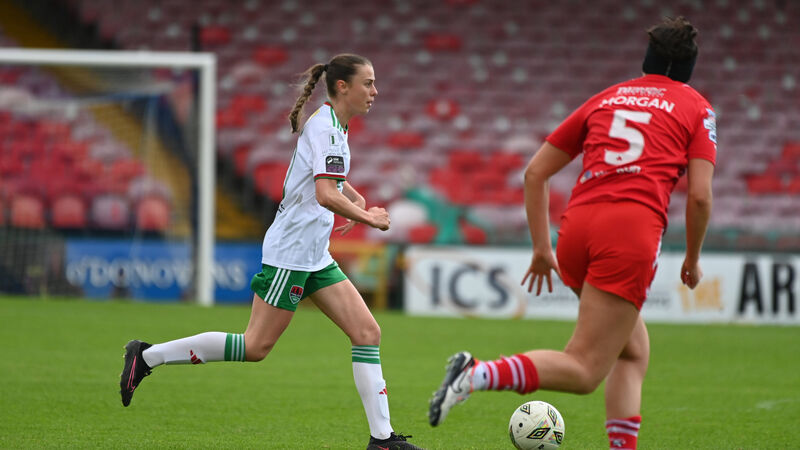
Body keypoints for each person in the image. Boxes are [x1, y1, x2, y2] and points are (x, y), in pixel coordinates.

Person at [428, 17, 715, 450]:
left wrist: (543, 249)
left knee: (632, 350)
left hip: (576, 230)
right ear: (689, 67)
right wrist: (693, 258)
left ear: (647, 59)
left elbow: (535, 173)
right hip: (629, 230)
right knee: (584, 370)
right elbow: (700, 198)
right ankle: (476, 374)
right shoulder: (697, 107)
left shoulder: (606, 98)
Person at [120, 53, 423, 450]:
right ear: (343, 87)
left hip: (314, 253)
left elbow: (325, 179)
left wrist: (355, 194)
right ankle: (147, 357)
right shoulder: (327, 127)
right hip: (292, 253)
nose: (375, 91)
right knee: (255, 346)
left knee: (367, 333)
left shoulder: (334, 125)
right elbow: (324, 194)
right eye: (368, 82)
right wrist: (369, 219)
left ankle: (382, 441)